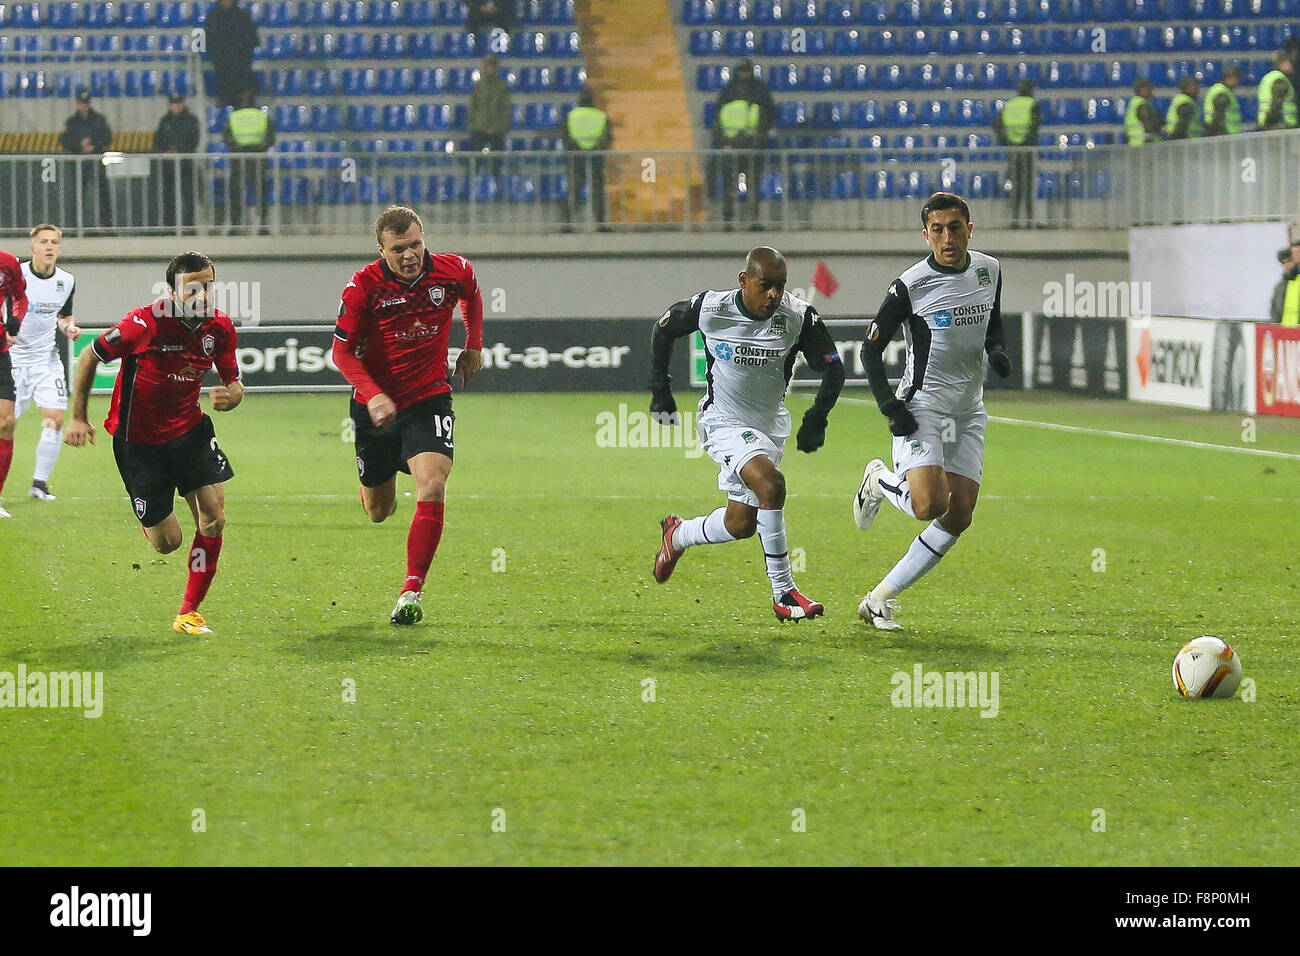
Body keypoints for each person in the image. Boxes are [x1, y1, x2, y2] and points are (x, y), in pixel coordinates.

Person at [647, 246, 845, 621]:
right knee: (771, 486)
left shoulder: (798, 316)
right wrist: (661, 389)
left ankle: (677, 535)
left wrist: (817, 417)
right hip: (723, 422)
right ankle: (784, 593)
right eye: (765, 285)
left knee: (740, 524)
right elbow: (663, 329)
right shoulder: (710, 308)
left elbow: (833, 368)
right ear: (744, 281)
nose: (774, 295)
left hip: (770, 427)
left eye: (781, 286)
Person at [851, 193, 1012, 631]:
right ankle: (879, 480)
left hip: (969, 409)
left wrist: (996, 350)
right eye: (937, 230)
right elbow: (870, 349)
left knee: (958, 515)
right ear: (926, 235)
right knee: (927, 504)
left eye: (955, 227)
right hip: (922, 404)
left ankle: (878, 599)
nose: (947, 238)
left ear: (970, 229)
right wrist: (889, 407)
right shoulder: (911, 285)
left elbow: (992, 320)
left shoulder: (989, 269)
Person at [64, 252, 243, 636]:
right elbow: (87, 357)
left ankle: (189, 612)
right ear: (172, 292)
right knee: (168, 543)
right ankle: (150, 518)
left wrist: (231, 396)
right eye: (193, 287)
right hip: (139, 444)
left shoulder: (220, 328)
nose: (203, 294)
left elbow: (234, 382)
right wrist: (78, 416)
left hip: (190, 434)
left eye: (209, 285)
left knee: (213, 519)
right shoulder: (144, 323)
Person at [331, 206, 484, 626]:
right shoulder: (363, 287)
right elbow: (341, 351)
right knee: (379, 512)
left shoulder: (452, 271)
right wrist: (374, 394)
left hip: (429, 399)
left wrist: (474, 344)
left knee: (432, 486)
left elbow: (472, 292)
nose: (410, 254)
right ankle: (383, 476)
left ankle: (411, 591)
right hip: (374, 409)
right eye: (399, 249)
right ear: (381, 250)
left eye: (415, 244)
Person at [7, 225, 78, 504]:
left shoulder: (67, 280)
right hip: (13, 360)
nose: (49, 247)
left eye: (54, 243)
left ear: (59, 249)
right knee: (6, 424)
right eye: (44, 242)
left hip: (46, 361)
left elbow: (64, 315)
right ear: (33, 247)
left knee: (55, 420)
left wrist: (69, 328)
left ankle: (39, 484)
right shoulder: (16, 277)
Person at [713, 59, 776, 230]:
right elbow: (718, 121)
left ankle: (751, 221)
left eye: (745, 70)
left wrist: (759, 140)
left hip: (749, 147)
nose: (744, 74)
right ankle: (729, 221)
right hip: (738, 146)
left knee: (752, 186)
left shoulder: (732, 90)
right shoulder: (734, 90)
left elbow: (769, 116)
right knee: (731, 186)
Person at [0, 248, 30, 519]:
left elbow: (19, 295)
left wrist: (15, 321)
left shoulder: (8, 263)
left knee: (7, 422)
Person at [222, 90, 276, 232]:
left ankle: (235, 225)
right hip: (257, 158)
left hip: (238, 159)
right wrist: (259, 148)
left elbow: (227, 138)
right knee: (261, 193)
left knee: (236, 193)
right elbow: (271, 138)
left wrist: (237, 148)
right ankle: (263, 225)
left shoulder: (233, 117)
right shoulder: (263, 117)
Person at [60, 90, 113, 228]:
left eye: (86, 103)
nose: (84, 105)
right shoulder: (72, 122)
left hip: (96, 161)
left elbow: (107, 137)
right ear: (78, 104)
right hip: (79, 162)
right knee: (77, 193)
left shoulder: (99, 119)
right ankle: (75, 225)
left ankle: (105, 224)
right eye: (82, 103)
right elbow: (65, 140)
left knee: (103, 193)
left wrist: (93, 145)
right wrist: (79, 145)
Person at [992, 79, 1041, 229]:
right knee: (1028, 185)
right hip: (1027, 150)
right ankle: (1029, 220)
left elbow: (996, 124)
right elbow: (1035, 125)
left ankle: (1014, 220)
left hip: (1013, 150)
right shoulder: (1033, 104)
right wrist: (1026, 141)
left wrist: (1007, 141)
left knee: (1016, 185)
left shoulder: (1009, 105)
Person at [562, 88, 613, 231]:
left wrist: (577, 149)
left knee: (573, 192)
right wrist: (595, 149)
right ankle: (601, 224)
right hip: (595, 158)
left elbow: (566, 138)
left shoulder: (571, 116)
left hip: (576, 158)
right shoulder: (601, 116)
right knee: (597, 191)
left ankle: (567, 225)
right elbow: (607, 138)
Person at [154, 93, 201, 232]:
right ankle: (170, 227)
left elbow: (194, 141)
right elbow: (158, 141)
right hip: (168, 165)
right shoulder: (165, 121)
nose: (177, 105)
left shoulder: (191, 120)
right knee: (168, 197)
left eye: (179, 103)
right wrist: (166, 152)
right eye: (174, 103)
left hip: (186, 164)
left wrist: (180, 151)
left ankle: (189, 227)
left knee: (188, 196)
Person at [204, 0, 260, 108]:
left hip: (242, 71)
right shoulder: (213, 17)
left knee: (245, 104)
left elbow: (252, 41)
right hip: (223, 72)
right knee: (225, 106)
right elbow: (209, 42)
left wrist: (244, 59)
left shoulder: (243, 16)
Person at [468, 55, 512, 179]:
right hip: (479, 127)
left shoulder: (502, 87)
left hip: (496, 129)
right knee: (475, 162)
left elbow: (506, 108)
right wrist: (473, 124)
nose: (489, 69)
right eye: (487, 66)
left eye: (492, 67)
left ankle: (496, 185)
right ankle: (474, 185)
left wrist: (502, 126)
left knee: (497, 162)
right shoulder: (478, 86)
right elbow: (473, 106)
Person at [1256, 52, 1297, 131]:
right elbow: (1276, 104)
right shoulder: (1280, 81)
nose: (1291, 65)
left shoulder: (1269, 77)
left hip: (1266, 124)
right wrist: (1273, 125)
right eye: (1289, 62)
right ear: (1283, 64)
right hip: (1279, 127)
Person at [1203, 66, 1243, 137]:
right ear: (1229, 78)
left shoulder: (1219, 90)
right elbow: (1218, 117)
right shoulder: (1222, 93)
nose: (1238, 82)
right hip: (1224, 135)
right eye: (1237, 79)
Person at [1124, 79, 1163, 145]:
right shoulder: (1142, 105)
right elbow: (1150, 125)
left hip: (1135, 144)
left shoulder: (1135, 102)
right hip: (1144, 144)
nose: (1151, 91)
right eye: (1149, 89)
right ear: (1141, 90)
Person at [1164, 75, 1203, 140]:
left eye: (1197, 86)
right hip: (1185, 140)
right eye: (1194, 86)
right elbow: (1182, 126)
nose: (1197, 89)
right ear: (1185, 88)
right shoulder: (1185, 103)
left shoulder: (1181, 99)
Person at [1271, 240, 1300, 325]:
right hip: (1284, 334)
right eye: (1283, 263)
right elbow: (1275, 310)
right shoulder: (1280, 286)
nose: (1286, 265)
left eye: (1289, 261)